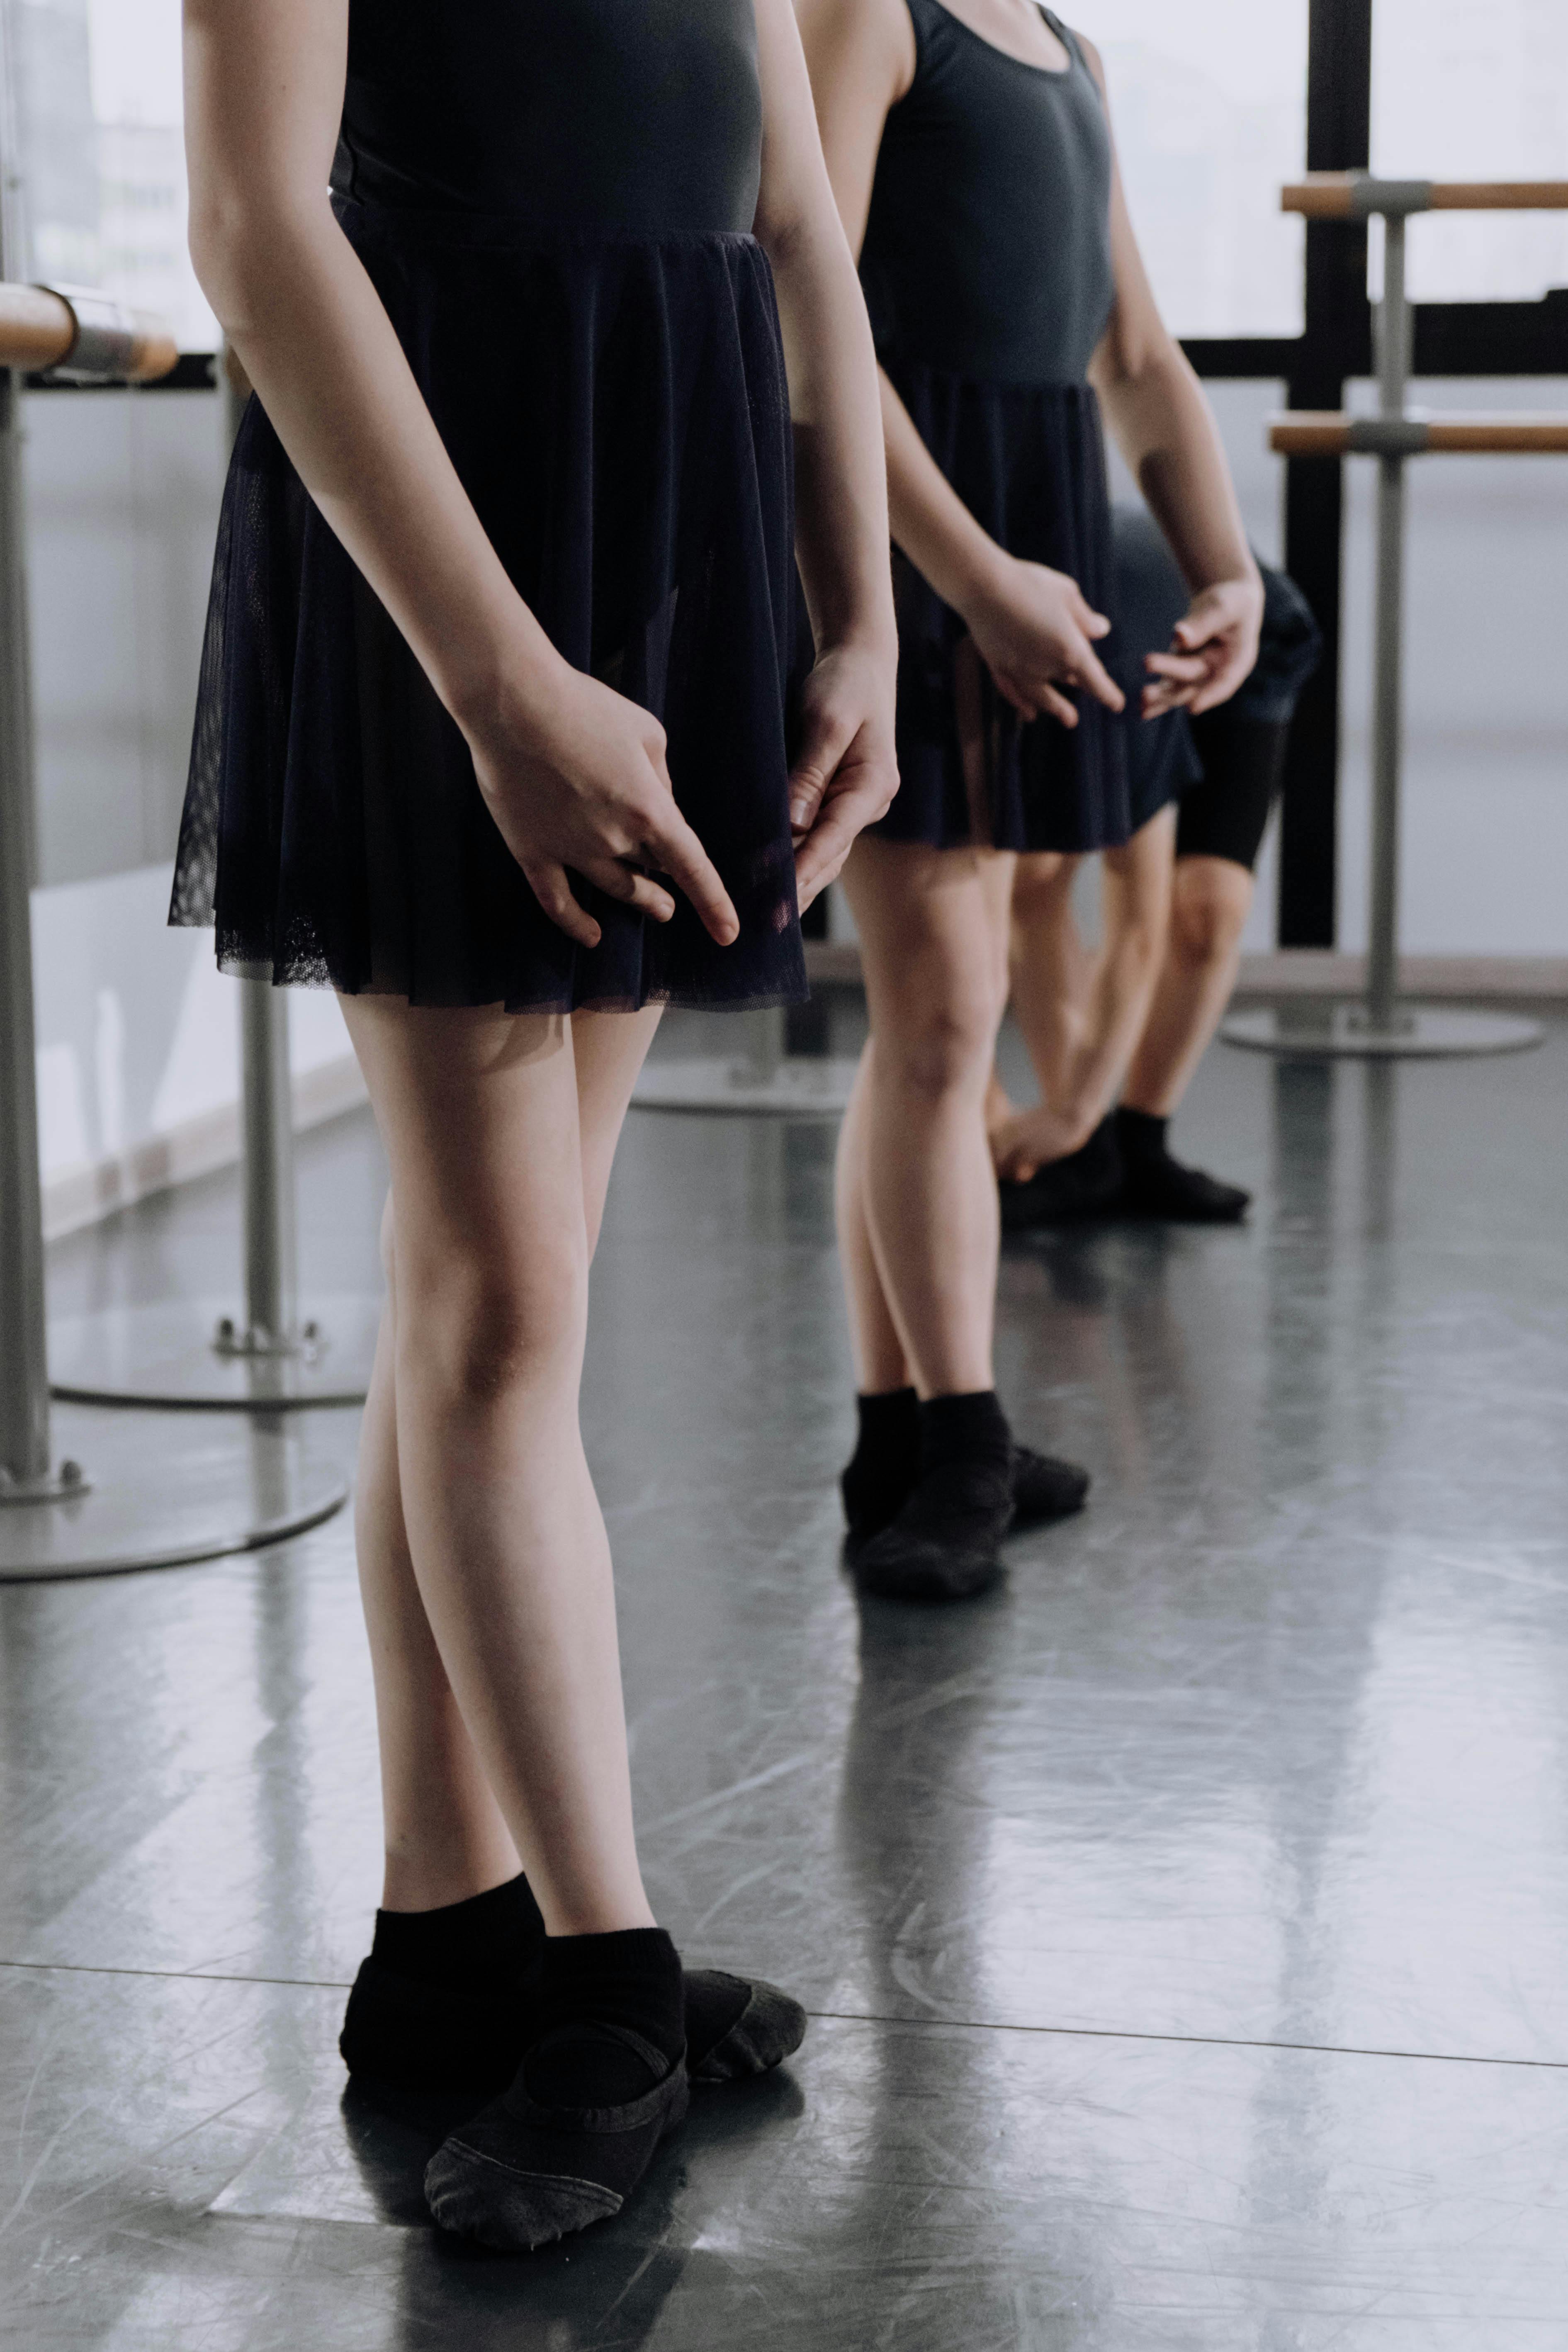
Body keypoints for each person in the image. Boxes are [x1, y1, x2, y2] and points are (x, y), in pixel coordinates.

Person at [173, 0, 897, 2255]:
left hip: (661, 503)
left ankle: (443, 1928)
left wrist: (864, 614)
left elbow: (797, 223)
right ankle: (604, 1978)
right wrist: (498, 683)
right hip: (449, 537)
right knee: (500, 1304)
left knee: (501, 1295)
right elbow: (253, 219)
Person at [797, 0, 1262, 1602]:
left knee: (940, 1016)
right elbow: (813, 331)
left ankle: (902, 1437)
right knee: (942, 1010)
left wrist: (1222, 569)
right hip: (904, 551)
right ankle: (962, 1435)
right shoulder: (867, 17)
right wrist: (971, 575)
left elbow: (1133, 357)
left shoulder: (1074, 53)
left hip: (1027, 539)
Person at [991, 510, 1322, 1225]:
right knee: (1036, 883)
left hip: (1236, 649)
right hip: (1091, 643)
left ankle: (1136, 1143)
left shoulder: (1126, 685)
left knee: (1207, 912)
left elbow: (1135, 927)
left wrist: (1068, 1112)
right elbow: (1024, 900)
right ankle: (1088, 1158)